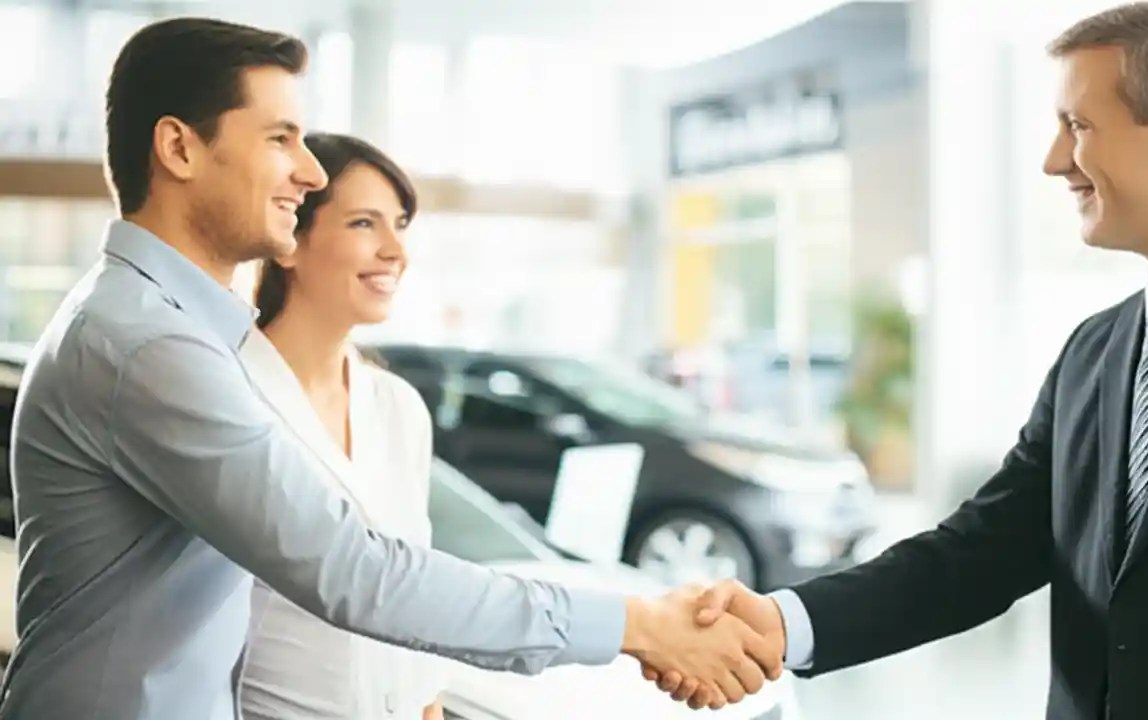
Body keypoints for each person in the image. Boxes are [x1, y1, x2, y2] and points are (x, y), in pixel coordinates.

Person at [0, 18, 781, 719]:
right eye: (280, 138)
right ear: (178, 148)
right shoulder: (147, 346)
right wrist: (637, 626)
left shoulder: (176, 334)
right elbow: (352, 571)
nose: (308, 173)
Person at [652, 2, 1148, 718]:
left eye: (1077, 126)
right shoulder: (1093, 354)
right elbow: (984, 552)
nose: (1053, 161)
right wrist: (783, 623)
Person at [235, 133, 445, 720]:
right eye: (363, 224)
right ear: (289, 242)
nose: (394, 250)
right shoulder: (230, 394)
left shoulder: (398, 406)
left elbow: (416, 591)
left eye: (400, 224)